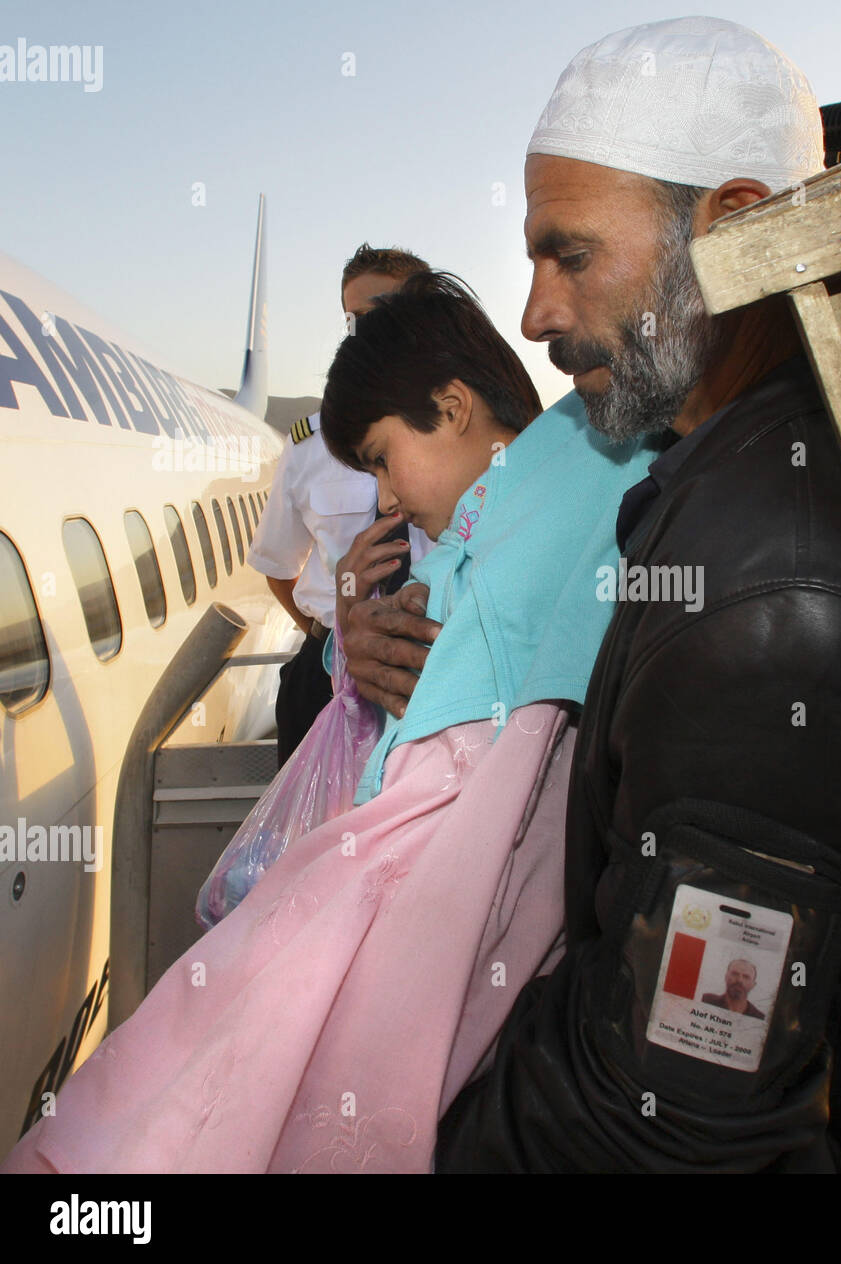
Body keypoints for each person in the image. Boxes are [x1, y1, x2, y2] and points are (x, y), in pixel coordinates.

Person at [343, 17, 841, 1172]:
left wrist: (403, 1137)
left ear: (727, 226)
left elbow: (667, 1119)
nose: (534, 315)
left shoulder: (773, 616)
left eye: (568, 254)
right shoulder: (777, 458)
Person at [1, 272, 656, 1174]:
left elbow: (416, 871)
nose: (386, 498)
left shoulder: (538, 524)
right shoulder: (551, 485)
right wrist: (356, 650)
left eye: (385, 459)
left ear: (455, 406)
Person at [248, 244, 432, 765]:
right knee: (309, 836)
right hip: (328, 666)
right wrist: (323, 632)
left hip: (432, 664)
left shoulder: (468, 436)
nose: (365, 334)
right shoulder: (310, 447)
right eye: (354, 321)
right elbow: (279, 567)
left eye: (384, 316)